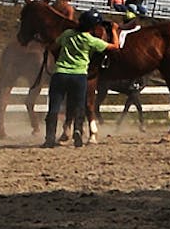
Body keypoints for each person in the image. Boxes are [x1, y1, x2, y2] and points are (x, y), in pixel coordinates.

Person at [42, 9, 118, 148]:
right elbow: (115, 47)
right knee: (79, 107)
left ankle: (49, 138)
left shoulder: (67, 34)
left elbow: (53, 46)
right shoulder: (91, 40)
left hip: (60, 73)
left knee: (54, 107)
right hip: (79, 76)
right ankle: (78, 133)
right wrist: (113, 30)